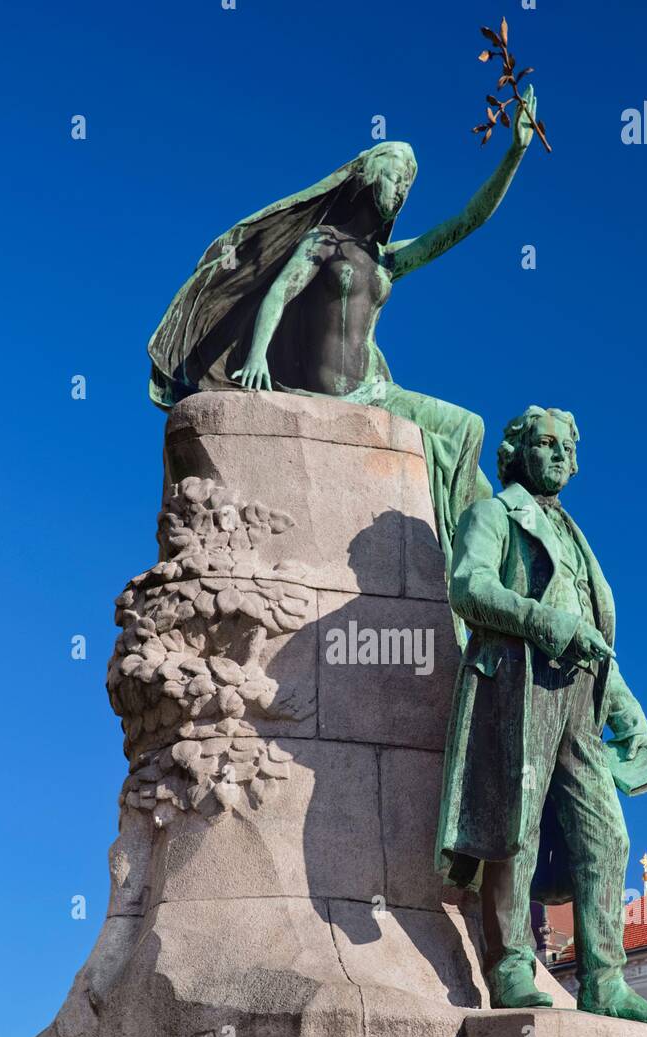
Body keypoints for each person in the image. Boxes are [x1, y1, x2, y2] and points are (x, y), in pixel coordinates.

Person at [148, 98, 542, 641]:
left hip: (375, 390)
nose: (403, 190)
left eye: (410, 183)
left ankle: (479, 577)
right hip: (331, 391)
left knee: (470, 448)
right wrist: (258, 354)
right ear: (368, 176)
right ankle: (463, 578)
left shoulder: (388, 260)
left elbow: (466, 223)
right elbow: (279, 294)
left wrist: (515, 153)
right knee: (468, 434)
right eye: (397, 176)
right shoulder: (324, 242)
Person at [435, 405, 647, 1027]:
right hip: (517, 684)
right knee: (513, 827)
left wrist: (629, 714)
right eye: (544, 445)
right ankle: (512, 965)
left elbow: (598, 638)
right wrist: (545, 621)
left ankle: (605, 982)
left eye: (565, 450)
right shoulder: (494, 513)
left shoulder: (575, 535)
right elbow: (467, 588)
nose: (557, 457)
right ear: (517, 451)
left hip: (579, 693)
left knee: (609, 836)